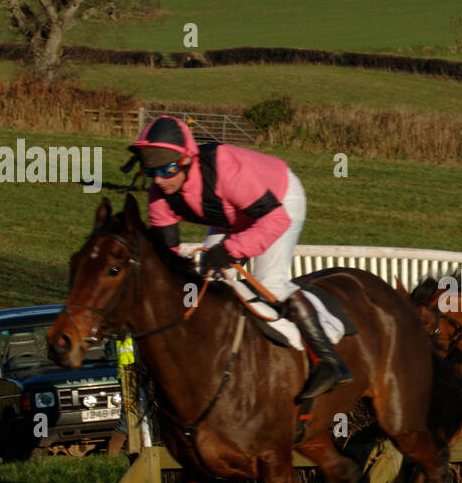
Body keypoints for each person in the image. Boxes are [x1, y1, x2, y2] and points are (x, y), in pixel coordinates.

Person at [127, 115, 350, 401]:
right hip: (232, 214)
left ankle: (330, 360)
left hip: (279, 201)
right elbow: (164, 256)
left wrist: (231, 249)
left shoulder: (225, 169)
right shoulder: (160, 193)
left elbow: (274, 220)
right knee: (209, 284)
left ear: (185, 161)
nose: (159, 180)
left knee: (271, 282)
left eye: (167, 170)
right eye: (151, 172)